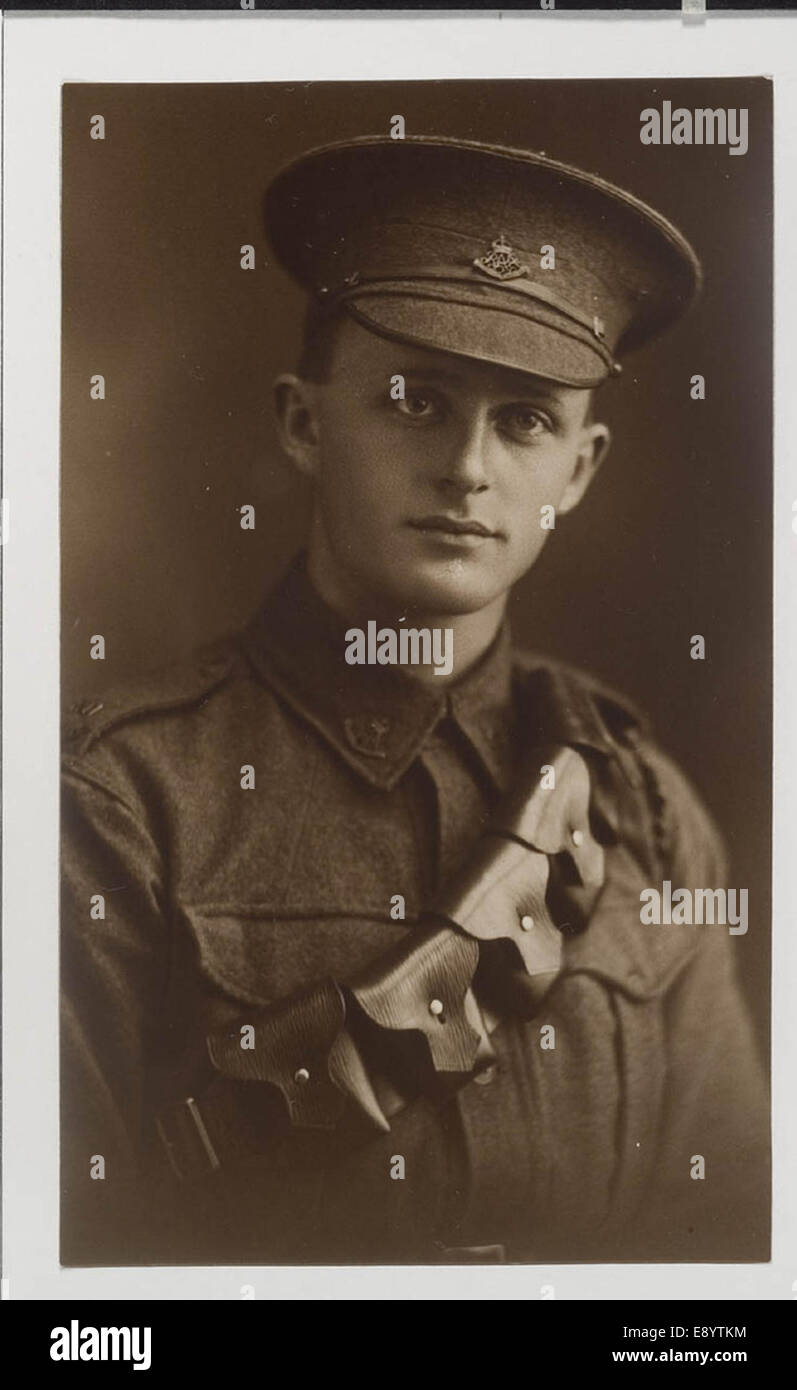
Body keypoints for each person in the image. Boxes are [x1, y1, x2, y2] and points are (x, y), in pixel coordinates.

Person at [61, 135, 769, 1266]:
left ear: (577, 471)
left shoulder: (641, 808)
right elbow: (71, 1266)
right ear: (303, 422)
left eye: (525, 420)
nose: (468, 470)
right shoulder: (121, 801)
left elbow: (723, 1246)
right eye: (414, 400)